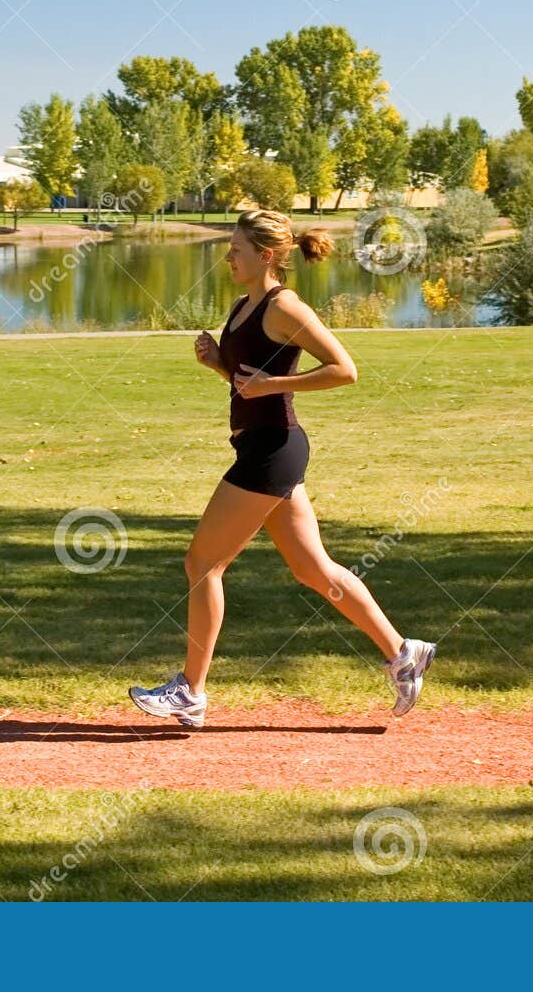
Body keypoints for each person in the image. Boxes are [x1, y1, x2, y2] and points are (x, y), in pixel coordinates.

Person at [129, 209, 436, 728]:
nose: (228, 256)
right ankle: (403, 652)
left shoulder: (285, 306)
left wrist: (273, 387)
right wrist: (218, 365)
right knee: (312, 569)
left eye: (237, 249)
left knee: (203, 563)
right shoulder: (244, 304)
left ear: (266, 256)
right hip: (261, 448)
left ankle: (191, 691)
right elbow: (248, 377)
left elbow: (345, 369)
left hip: (274, 449)